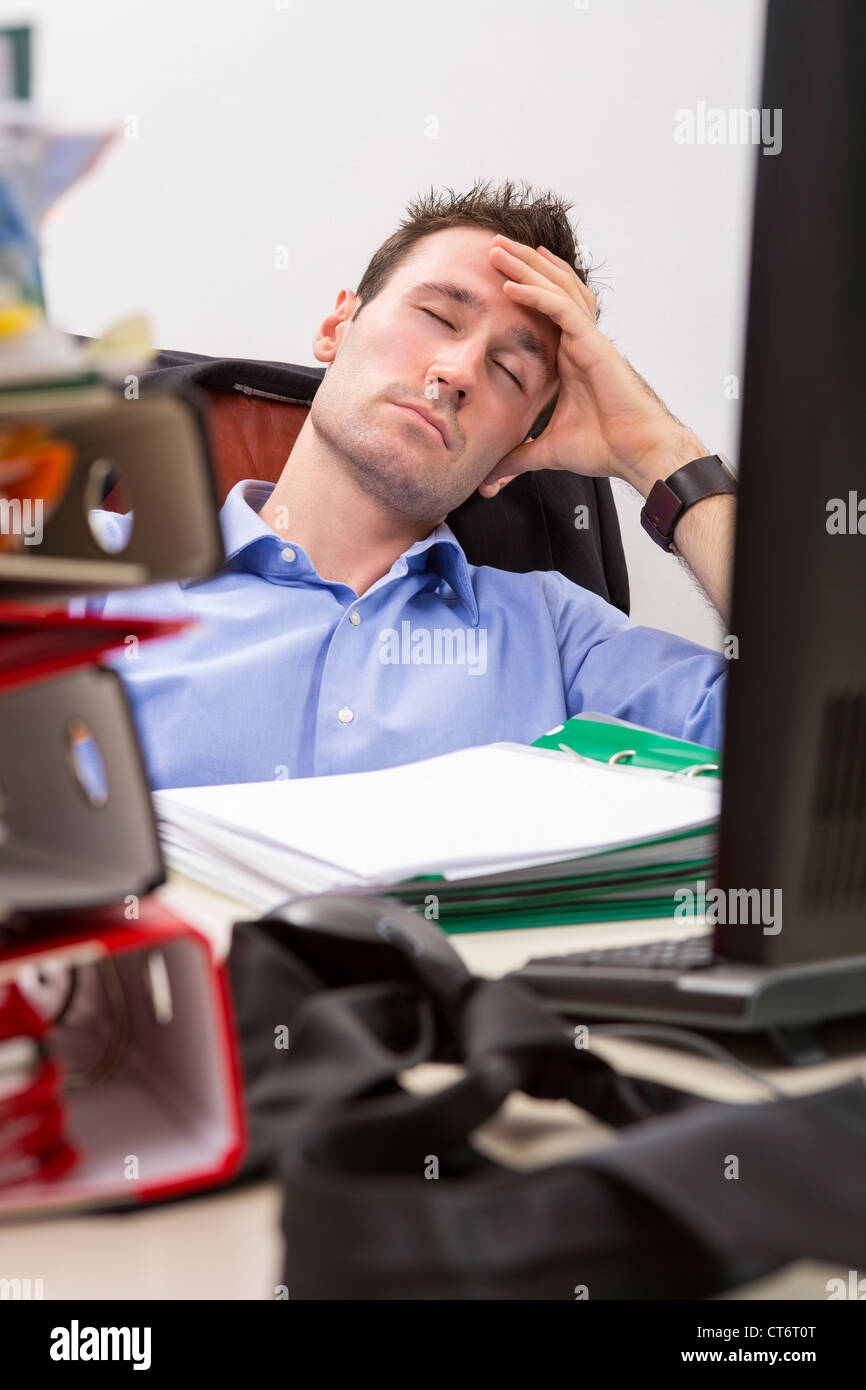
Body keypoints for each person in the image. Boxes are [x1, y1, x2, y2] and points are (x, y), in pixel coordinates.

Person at [85, 179, 734, 790]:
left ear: (518, 446)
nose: (457, 371)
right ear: (338, 327)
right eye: (439, 317)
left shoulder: (559, 637)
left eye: (509, 371)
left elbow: (817, 719)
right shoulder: (94, 569)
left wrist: (658, 450)